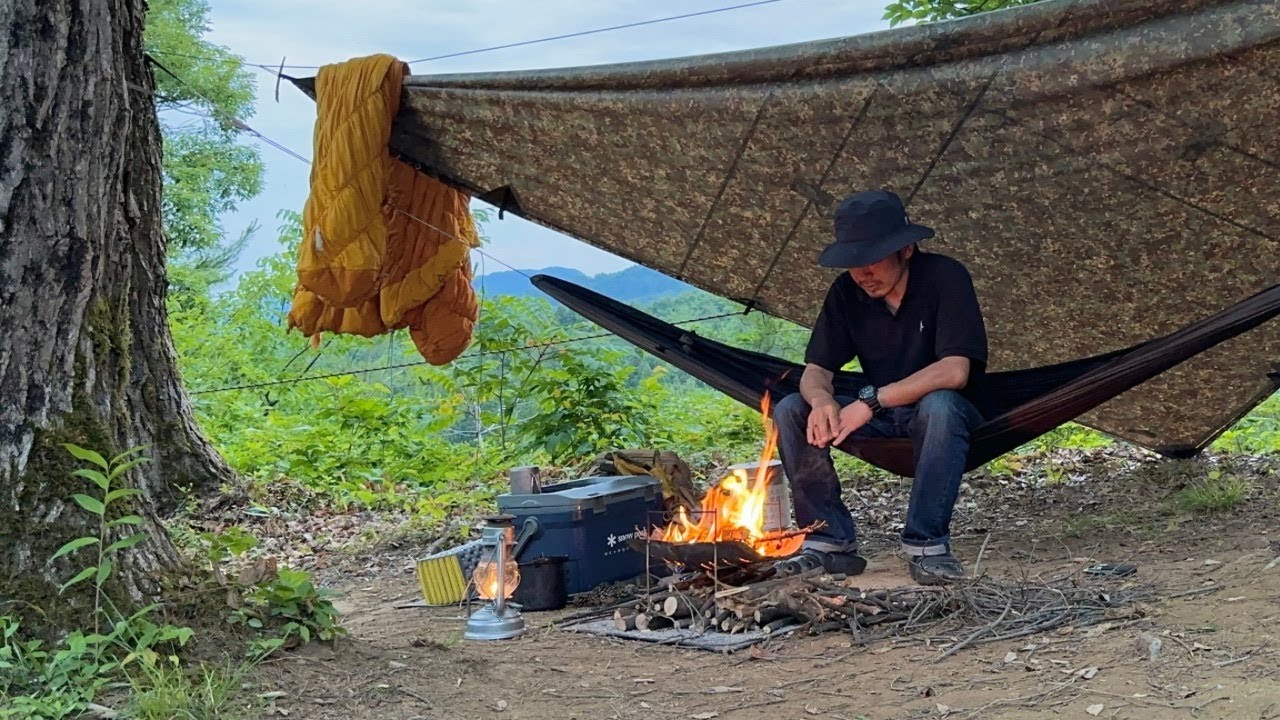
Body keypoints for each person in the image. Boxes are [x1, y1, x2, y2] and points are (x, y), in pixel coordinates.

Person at [772, 189, 988, 585]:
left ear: (905, 250)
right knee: (790, 408)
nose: (861, 274)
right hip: (885, 415)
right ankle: (827, 542)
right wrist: (821, 402)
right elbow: (815, 370)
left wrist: (870, 402)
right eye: (853, 263)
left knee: (939, 405)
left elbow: (955, 370)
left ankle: (927, 546)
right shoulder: (847, 292)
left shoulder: (945, 278)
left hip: (952, 416)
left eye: (871, 260)